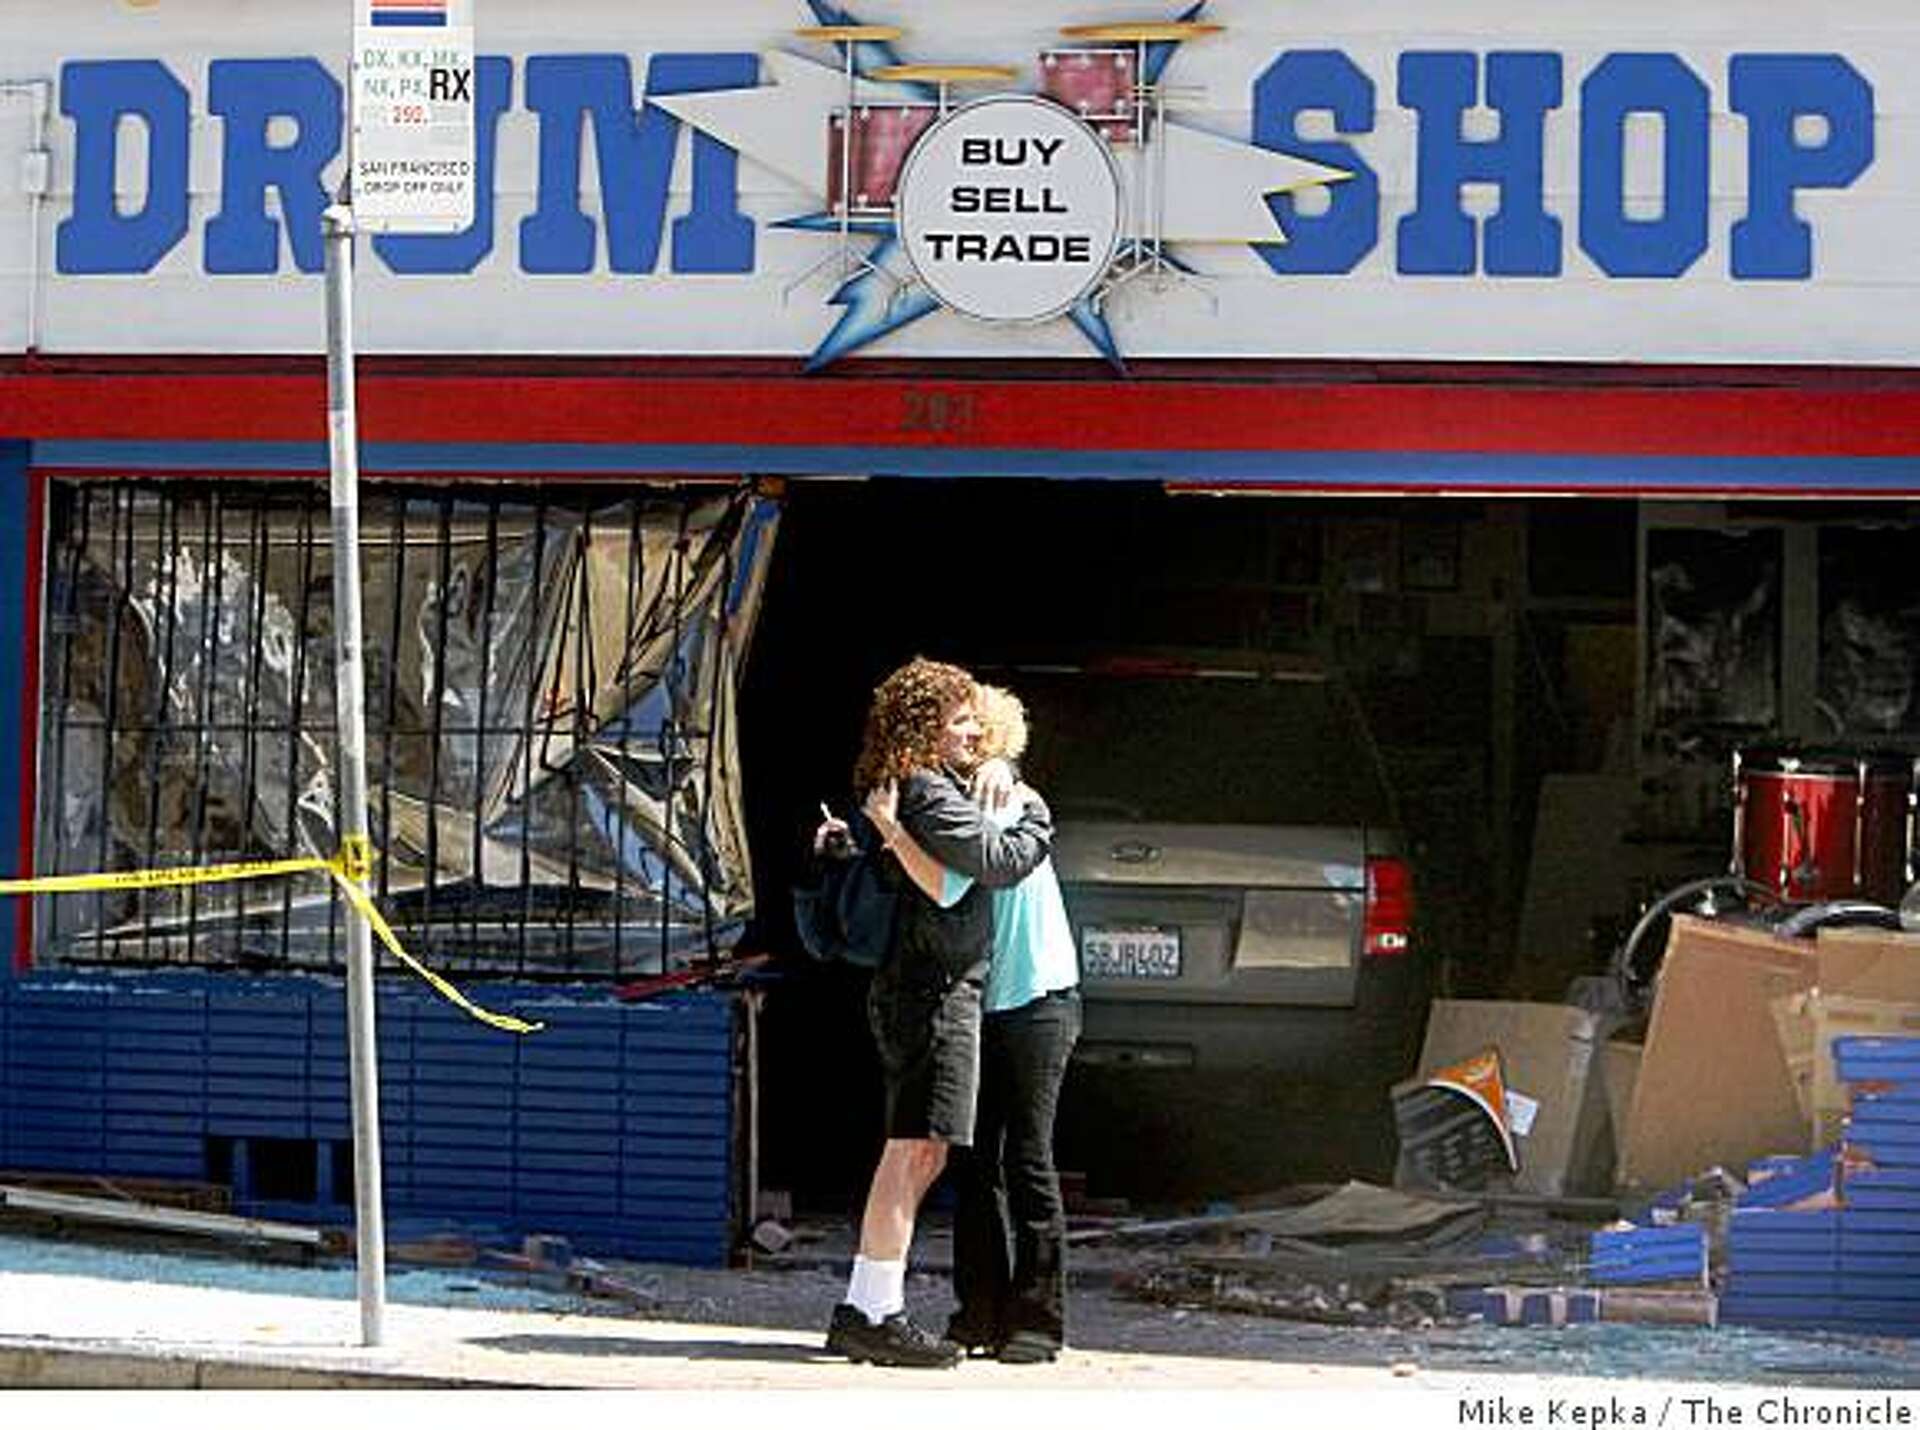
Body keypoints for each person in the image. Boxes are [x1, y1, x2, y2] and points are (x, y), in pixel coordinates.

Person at [817, 658, 1054, 1368]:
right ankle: (873, 1312)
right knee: (912, 1148)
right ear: (924, 727)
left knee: (925, 1149)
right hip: (934, 990)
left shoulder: (923, 788)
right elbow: (998, 861)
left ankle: (869, 1304)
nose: (972, 730)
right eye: (958, 720)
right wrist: (1036, 810)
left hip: (934, 986)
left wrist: (1004, 777)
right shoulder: (924, 788)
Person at [866, 684, 1081, 1364]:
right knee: (976, 1162)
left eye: (977, 732)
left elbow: (972, 875)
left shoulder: (1005, 797)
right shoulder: (955, 801)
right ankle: (980, 1312)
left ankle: (1038, 1321)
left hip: (1037, 997)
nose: (969, 744)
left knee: (1026, 1157)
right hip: (977, 999)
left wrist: (899, 830)